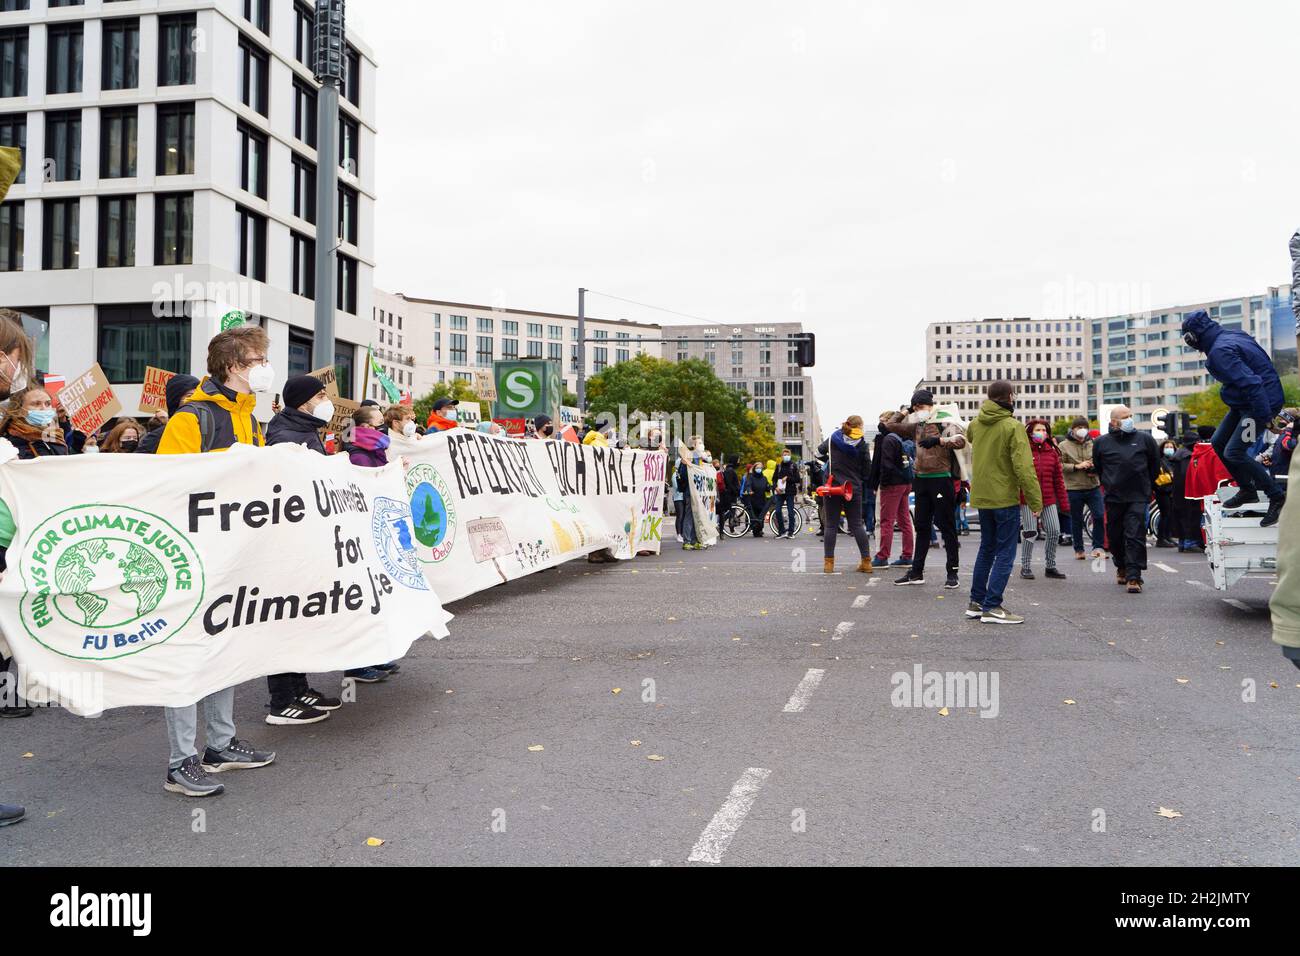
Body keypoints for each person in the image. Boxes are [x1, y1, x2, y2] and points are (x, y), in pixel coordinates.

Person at [156, 325, 276, 796]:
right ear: (233, 367)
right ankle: (179, 761)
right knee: (187, 655)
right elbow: (168, 487)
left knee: (224, 648)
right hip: (194, 557)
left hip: (233, 555)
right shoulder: (191, 420)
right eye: (257, 359)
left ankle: (220, 746)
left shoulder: (249, 416)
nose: (265, 367)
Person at [261, 374, 346, 724]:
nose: (326, 400)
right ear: (302, 400)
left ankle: (299, 687)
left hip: (305, 540)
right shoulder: (284, 435)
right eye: (320, 394)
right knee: (285, 619)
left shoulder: (305, 429)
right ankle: (282, 700)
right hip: (287, 544)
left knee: (300, 618)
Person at [1181, 309, 1287, 526]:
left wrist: (1265, 417)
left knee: (1235, 452)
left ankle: (1276, 496)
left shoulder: (1220, 352)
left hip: (1258, 403)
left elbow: (1253, 383)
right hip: (1246, 401)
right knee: (1218, 443)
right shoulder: (1233, 335)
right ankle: (1247, 490)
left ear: (1192, 338)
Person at [966, 381, 1041, 624]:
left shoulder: (976, 424)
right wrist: (1034, 500)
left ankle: (976, 602)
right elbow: (1024, 467)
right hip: (1004, 496)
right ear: (1010, 397)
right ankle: (993, 606)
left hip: (982, 495)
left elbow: (968, 434)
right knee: (1006, 551)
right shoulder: (1013, 426)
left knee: (986, 548)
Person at [882, 389, 965, 589]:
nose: (919, 410)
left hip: (941, 478)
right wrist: (906, 411)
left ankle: (952, 572)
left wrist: (939, 440)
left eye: (921, 407)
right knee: (921, 526)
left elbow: (961, 440)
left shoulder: (944, 421)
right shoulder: (916, 425)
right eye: (916, 407)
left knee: (946, 526)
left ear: (931, 405)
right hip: (921, 479)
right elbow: (889, 426)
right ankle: (916, 572)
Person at [1092, 405, 1159, 594]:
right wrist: (1110, 482)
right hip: (1114, 496)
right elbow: (1099, 467)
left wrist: (1145, 485)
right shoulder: (1101, 443)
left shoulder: (1145, 439)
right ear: (1113, 421)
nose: (1129, 419)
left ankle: (1134, 576)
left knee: (1135, 534)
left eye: (1131, 415)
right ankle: (1120, 565)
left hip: (1138, 496)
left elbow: (1154, 465)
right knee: (1115, 536)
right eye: (1124, 416)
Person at [817, 415, 873, 574]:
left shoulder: (833, 439)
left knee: (831, 525)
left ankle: (829, 564)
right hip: (853, 488)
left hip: (833, 486)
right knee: (856, 525)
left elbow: (818, 452)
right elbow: (867, 471)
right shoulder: (862, 444)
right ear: (859, 426)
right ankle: (866, 562)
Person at [1019, 419, 1069, 580]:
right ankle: (1025, 566)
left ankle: (1050, 565)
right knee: (1030, 532)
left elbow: (1058, 481)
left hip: (1048, 499)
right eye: (1038, 430)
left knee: (1054, 531)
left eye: (1044, 430)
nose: (1041, 433)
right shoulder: (1024, 451)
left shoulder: (1052, 452)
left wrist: (1064, 503)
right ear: (1030, 432)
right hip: (1028, 499)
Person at [1058, 415, 1105, 560]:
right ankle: (1079, 549)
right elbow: (1059, 465)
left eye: (1085, 428)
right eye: (1079, 427)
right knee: (1076, 520)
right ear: (1073, 429)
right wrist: (1076, 466)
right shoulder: (1063, 446)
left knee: (1098, 515)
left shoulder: (1094, 444)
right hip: (1073, 488)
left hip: (1093, 486)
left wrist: (1094, 467)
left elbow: (1102, 462)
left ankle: (1098, 547)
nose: (1082, 430)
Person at [871, 412, 914, 567]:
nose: (881, 424)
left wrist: (882, 484)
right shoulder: (901, 438)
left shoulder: (888, 439)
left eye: (884, 421)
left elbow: (886, 465)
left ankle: (882, 556)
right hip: (905, 482)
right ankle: (907, 555)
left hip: (892, 485)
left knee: (886, 521)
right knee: (904, 520)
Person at [136, 374, 199, 454]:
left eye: (197, 395)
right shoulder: (157, 436)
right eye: (190, 395)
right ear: (176, 399)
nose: (195, 399)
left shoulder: (205, 430)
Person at [0, 388, 70, 459]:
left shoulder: (54, 435)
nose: (44, 408)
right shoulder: (8, 447)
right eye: (36, 404)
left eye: (47, 404)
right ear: (19, 411)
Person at [1153, 438, 1180, 548]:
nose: (1169, 449)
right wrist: (1171, 477)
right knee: (1165, 514)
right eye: (1166, 447)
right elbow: (1157, 477)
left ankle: (1167, 537)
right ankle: (1161, 539)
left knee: (1170, 515)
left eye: (1171, 447)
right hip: (1162, 491)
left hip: (1171, 491)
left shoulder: (1173, 460)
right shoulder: (1160, 460)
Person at [770, 451, 802, 538]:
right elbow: (774, 479)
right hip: (780, 492)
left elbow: (797, 479)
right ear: (782, 456)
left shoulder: (793, 466)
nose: (786, 456)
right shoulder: (779, 466)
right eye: (784, 455)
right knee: (777, 511)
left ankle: (791, 532)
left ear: (790, 456)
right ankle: (782, 531)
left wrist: (787, 478)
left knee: (791, 512)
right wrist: (775, 487)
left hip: (790, 492)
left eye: (788, 455)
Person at [676, 452, 700, 548]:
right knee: (689, 515)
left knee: (695, 517)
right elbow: (684, 478)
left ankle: (693, 540)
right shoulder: (685, 463)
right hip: (689, 492)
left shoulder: (691, 461)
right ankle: (687, 540)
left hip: (694, 492)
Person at [742, 461, 770, 539]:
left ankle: (760, 529)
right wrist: (749, 490)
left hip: (762, 498)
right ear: (754, 469)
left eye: (760, 468)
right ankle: (755, 530)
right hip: (753, 499)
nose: (759, 469)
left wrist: (770, 488)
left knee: (761, 515)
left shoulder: (764, 478)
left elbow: (767, 487)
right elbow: (748, 485)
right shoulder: (751, 477)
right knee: (755, 515)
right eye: (757, 468)